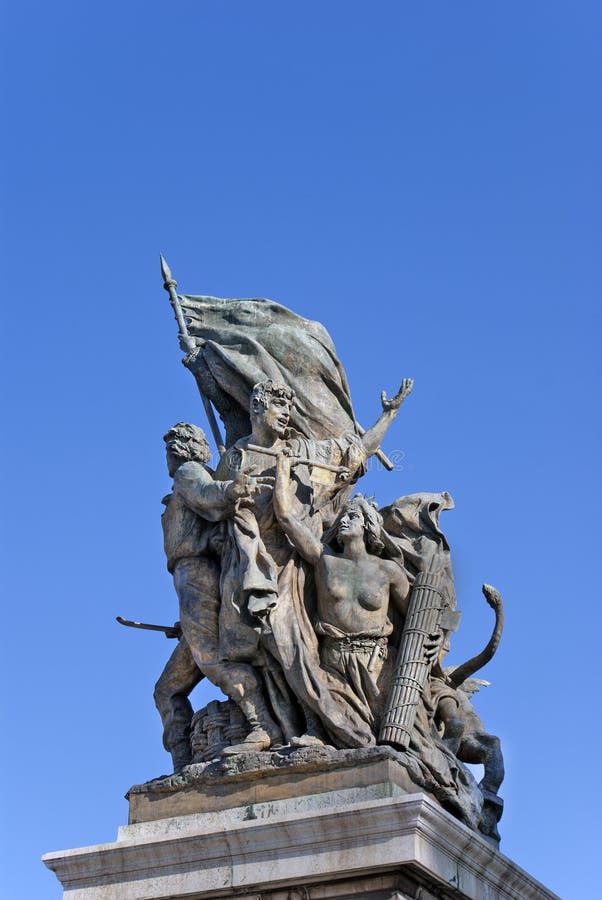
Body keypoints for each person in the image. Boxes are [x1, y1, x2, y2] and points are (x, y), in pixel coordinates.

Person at [212, 377, 415, 749]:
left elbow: (355, 451)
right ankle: (269, 726)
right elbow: (210, 505)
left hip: (292, 568)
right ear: (257, 408)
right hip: (242, 567)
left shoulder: (304, 452)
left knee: (293, 651)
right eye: (280, 407)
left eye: (290, 408)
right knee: (243, 652)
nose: (287, 415)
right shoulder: (235, 459)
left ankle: (325, 728)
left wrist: (389, 415)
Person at [154, 422, 282, 771]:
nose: (167, 457)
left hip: (194, 575)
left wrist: (231, 489)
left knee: (213, 660)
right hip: (193, 583)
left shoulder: (188, 473)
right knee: (166, 689)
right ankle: (182, 765)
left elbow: (208, 493)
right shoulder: (188, 477)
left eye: (169, 449)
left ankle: (262, 725)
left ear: (180, 449)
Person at [273, 452, 410, 724]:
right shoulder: (324, 559)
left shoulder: (388, 571)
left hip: (377, 664)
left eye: (353, 517)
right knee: (341, 726)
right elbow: (287, 518)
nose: (345, 521)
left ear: (368, 526)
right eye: (343, 517)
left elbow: (413, 620)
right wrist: (282, 469)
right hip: (333, 663)